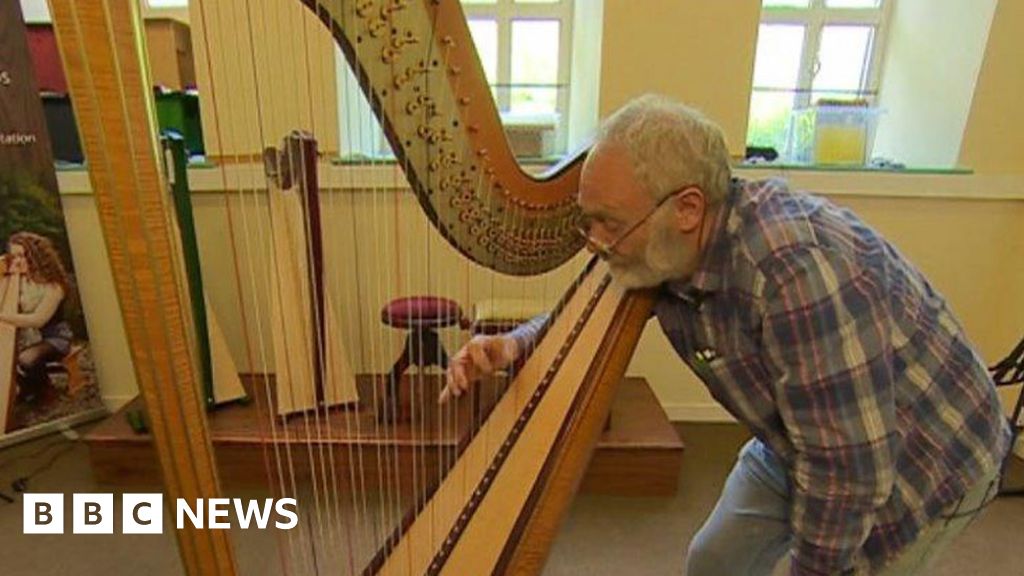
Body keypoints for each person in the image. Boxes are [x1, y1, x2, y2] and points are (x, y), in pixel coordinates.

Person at [441, 95, 1011, 575]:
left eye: (608, 223)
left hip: (924, 454)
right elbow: (593, 301)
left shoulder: (791, 275)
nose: (595, 241)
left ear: (688, 208)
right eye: (587, 221)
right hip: (800, 432)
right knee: (714, 562)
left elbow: (850, 472)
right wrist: (515, 344)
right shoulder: (661, 242)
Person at [0, 231, 74, 405]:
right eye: (13, 256)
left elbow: (37, 320)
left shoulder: (55, 286)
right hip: (30, 336)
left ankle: (43, 389)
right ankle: (29, 388)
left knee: (26, 359)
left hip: (54, 337)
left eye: (22, 256)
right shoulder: (20, 279)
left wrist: (2, 316)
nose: (16, 261)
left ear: (36, 258)